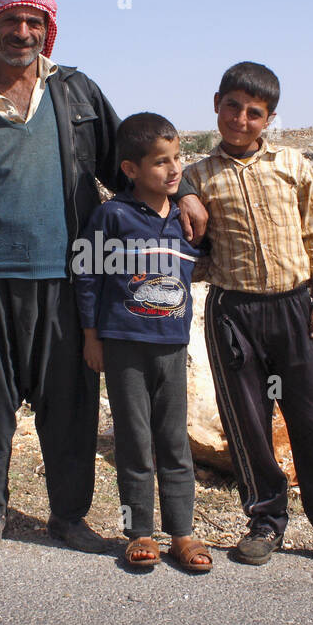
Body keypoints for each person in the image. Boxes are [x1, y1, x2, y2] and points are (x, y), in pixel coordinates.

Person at [0, 0, 208, 554]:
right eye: (11, 21)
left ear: (47, 29)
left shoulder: (76, 93)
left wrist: (183, 193)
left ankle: (69, 517)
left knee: (72, 408)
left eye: (34, 22)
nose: (22, 32)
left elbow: (132, 162)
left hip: (69, 281)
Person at [184, 61, 313, 572]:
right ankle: (265, 522)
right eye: (232, 107)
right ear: (216, 104)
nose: (240, 119)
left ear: (269, 119)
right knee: (248, 425)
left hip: (295, 308)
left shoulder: (292, 165)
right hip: (233, 312)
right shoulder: (197, 176)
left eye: (254, 113)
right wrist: (186, 197)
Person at [73, 113, 212, 572]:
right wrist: (92, 336)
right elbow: (88, 276)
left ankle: (183, 533)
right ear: (131, 169)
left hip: (171, 346)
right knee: (133, 440)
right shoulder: (112, 216)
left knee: (173, 440)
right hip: (123, 346)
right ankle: (139, 532)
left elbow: (202, 267)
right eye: (159, 163)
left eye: (176, 159)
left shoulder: (185, 221)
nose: (172, 171)